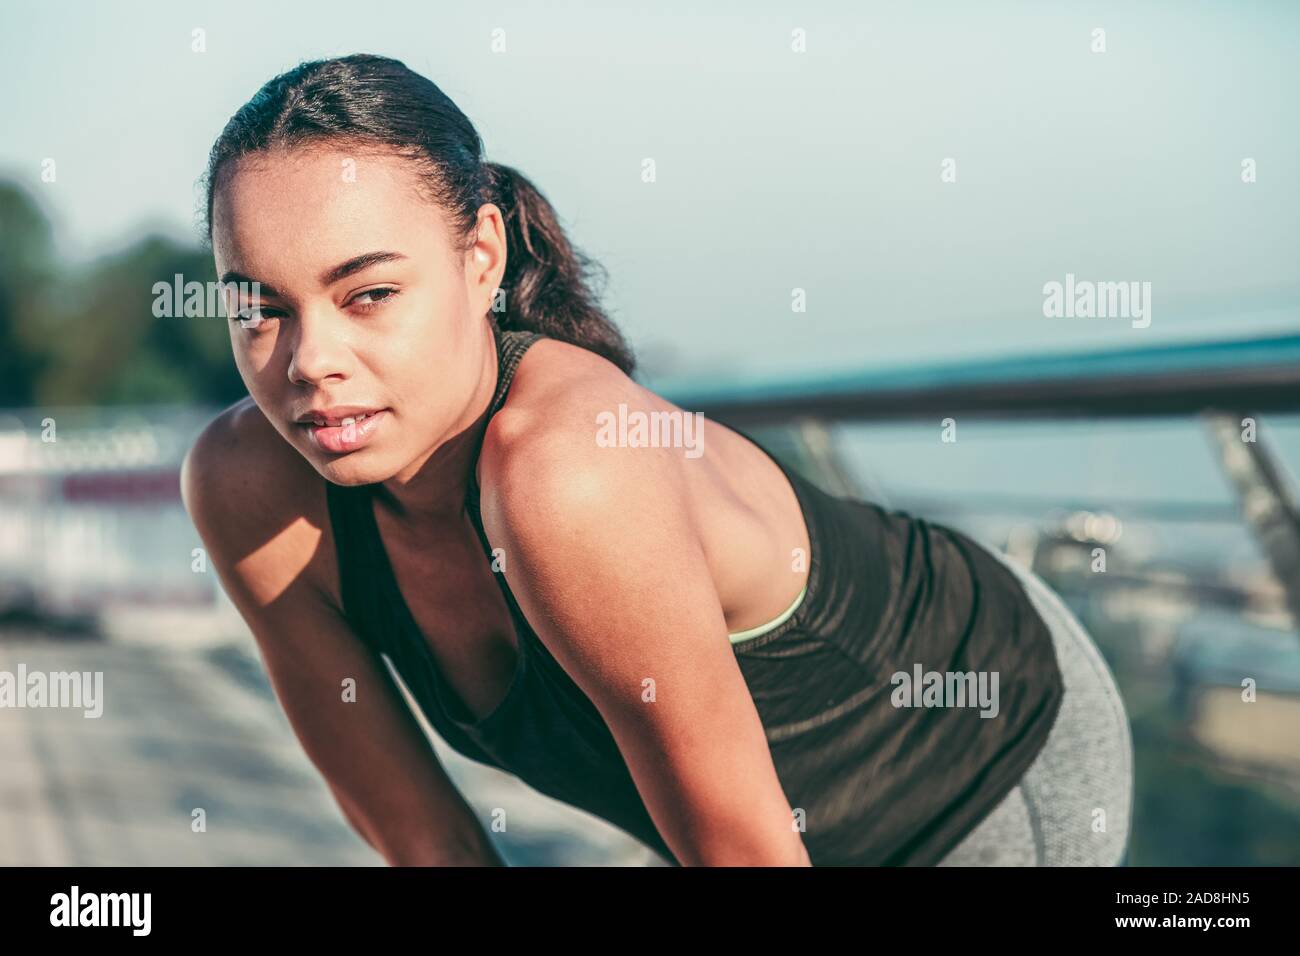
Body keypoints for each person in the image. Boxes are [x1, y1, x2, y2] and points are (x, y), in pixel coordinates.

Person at [181, 53, 1132, 866]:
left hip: (970, 765)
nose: (311, 363)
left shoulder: (569, 472)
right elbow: (430, 846)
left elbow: (746, 853)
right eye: (258, 307)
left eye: (371, 293)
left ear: (480, 259)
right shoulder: (248, 488)